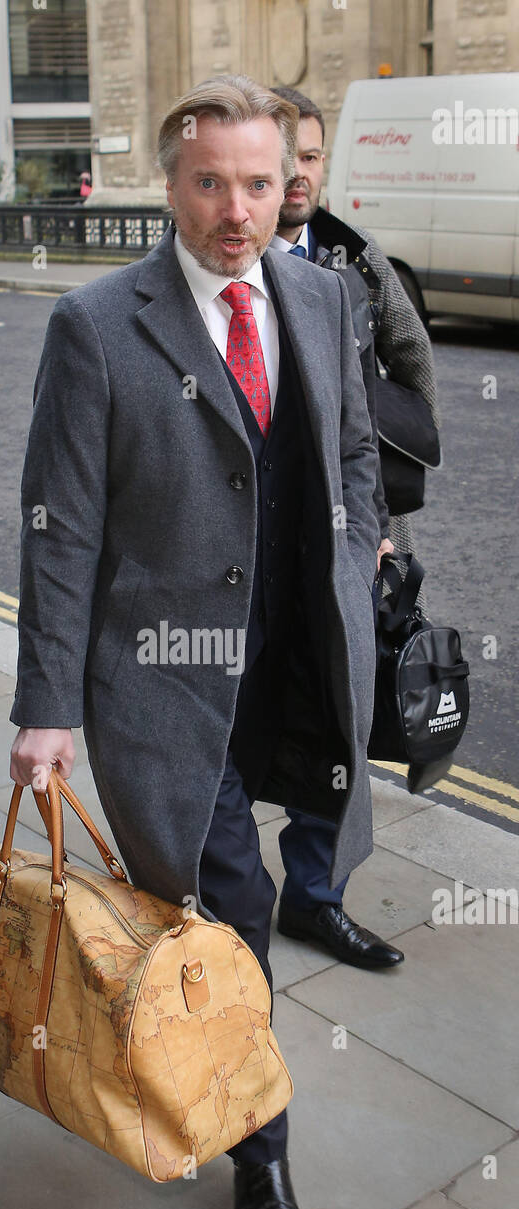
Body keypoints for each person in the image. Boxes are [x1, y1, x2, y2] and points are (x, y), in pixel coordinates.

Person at [9, 74, 379, 1209]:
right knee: (231, 911)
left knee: (281, 865)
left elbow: (358, 445)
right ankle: (258, 1154)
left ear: (290, 185)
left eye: (259, 183)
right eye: (209, 181)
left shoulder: (320, 297)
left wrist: (357, 549)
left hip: (297, 660)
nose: (236, 208)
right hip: (169, 681)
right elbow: (58, 528)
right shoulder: (98, 326)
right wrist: (46, 709)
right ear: (169, 184)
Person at [268, 86, 441, 970]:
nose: (297, 174)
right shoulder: (227, 252)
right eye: (284, 155)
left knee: (339, 719)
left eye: (311, 156)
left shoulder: (356, 260)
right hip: (252, 543)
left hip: (353, 536)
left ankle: (315, 896)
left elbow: (412, 373)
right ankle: (211, 897)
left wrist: (383, 514)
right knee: (234, 713)